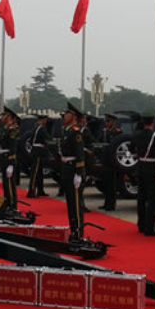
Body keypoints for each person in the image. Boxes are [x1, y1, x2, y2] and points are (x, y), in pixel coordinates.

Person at [131, 109, 155, 235]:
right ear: (153, 122)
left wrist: (138, 154)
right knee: (151, 199)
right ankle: (150, 227)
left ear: (143, 121)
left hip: (140, 166)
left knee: (141, 198)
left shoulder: (136, 134)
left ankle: (141, 224)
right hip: (151, 167)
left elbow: (131, 148)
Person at [59, 103, 87, 241]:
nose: (65, 116)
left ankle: (78, 231)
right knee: (70, 203)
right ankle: (73, 229)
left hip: (73, 170)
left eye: (67, 113)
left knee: (76, 204)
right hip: (67, 169)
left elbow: (80, 154)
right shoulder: (67, 131)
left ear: (74, 116)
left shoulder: (75, 132)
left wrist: (79, 173)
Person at [98, 113, 123, 210]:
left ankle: (111, 204)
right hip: (105, 161)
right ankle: (106, 202)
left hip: (112, 162)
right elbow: (99, 141)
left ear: (113, 122)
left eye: (108, 121)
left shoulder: (117, 132)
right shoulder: (104, 131)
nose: (107, 123)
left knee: (111, 185)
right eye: (106, 121)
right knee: (105, 183)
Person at [0, 107, 20, 212]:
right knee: (5, 186)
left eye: (4, 115)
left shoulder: (12, 131)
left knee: (10, 186)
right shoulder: (6, 129)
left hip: (8, 160)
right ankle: (7, 205)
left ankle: (12, 207)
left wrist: (11, 164)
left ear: (9, 117)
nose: (2, 117)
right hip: (4, 158)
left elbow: (13, 148)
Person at [27, 114, 49, 198]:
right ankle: (31, 191)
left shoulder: (35, 127)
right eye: (45, 119)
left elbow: (31, 140)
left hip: (35, 150)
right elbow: (46, 138)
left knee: (39, 172)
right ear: (42, 120)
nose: (46, 121)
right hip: (38, 151)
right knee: (35, 172)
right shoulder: (42, 128)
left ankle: (40, 190)